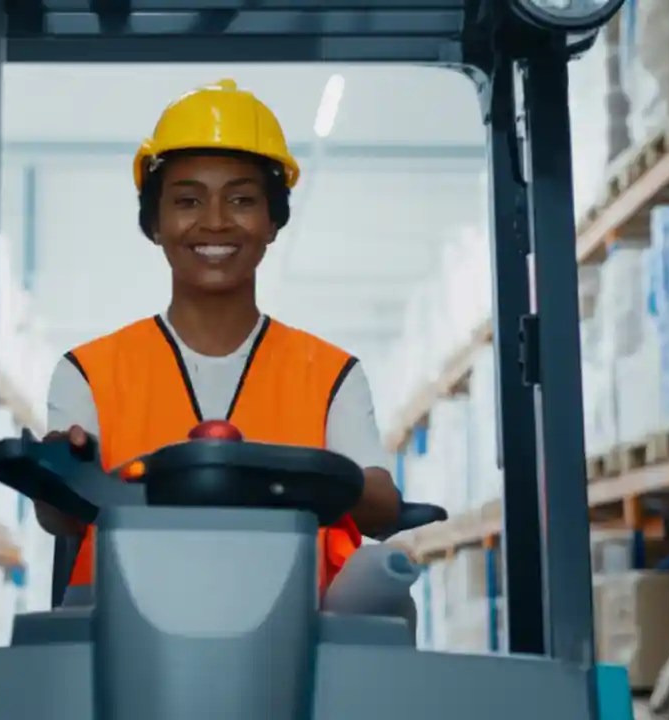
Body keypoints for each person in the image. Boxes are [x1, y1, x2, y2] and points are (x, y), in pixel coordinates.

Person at [37, 78, 401, 598]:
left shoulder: (330, 373)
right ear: (154, 222)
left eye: (242, 200)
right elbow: (60, 520)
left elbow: (382, 509)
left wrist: (301, 480)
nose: (214, 223)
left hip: (296, 641)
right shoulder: (88, 372)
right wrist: (60, 474)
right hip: (126, 637)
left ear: (273, 220)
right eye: (187, 201)